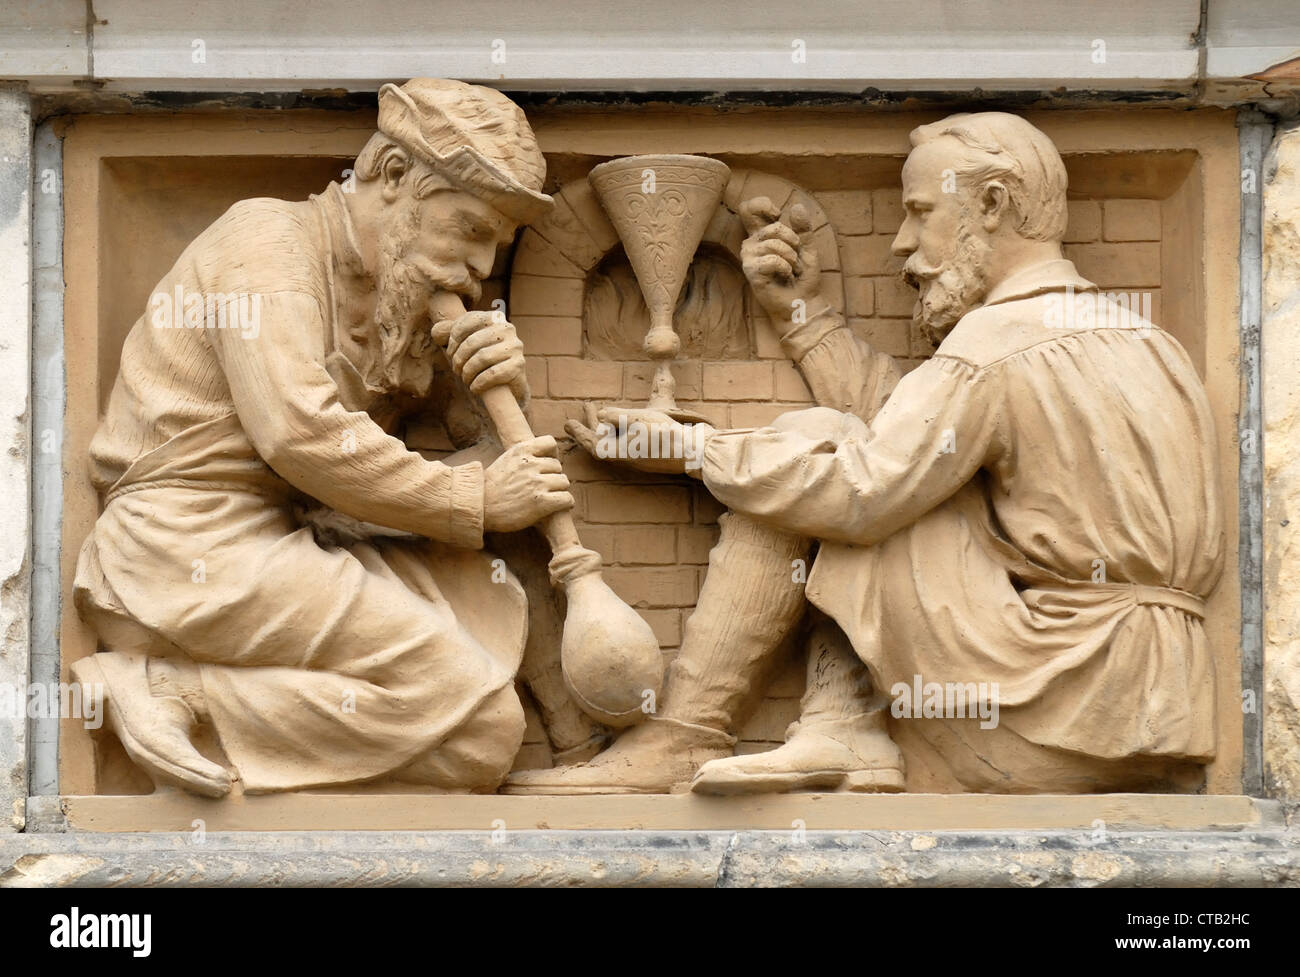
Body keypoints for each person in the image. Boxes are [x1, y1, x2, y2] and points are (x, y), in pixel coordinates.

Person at [511, 112, 1224, 795]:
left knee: (811, 449)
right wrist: (801, 313)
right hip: (1152, 710)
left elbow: (866, 481)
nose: (901, 245)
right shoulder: (1146, 342)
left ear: (994, 203)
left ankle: (702, 732)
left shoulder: (997, 345)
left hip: (1045, 702)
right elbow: (918, 427)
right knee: (836, 454)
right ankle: (835, 722)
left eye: (919, 211)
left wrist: (693, 448)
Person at [72, 78, 581, 796]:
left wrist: (485, 396)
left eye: (495, 245)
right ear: (396, 177)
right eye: (470, 228)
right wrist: (475, 496)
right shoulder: (264, 243)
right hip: (182, 545)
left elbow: (396, 462)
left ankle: (193, 696)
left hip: (294, 538)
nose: (481, 269)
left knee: (486, 736)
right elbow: (298, 433)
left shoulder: (390, 303)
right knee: (460, 693)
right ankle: (163, 688)